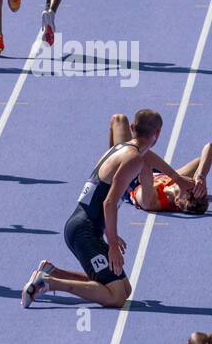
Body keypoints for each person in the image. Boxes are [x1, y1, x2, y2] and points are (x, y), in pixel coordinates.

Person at [20, 109, 164, 310]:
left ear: (132, 129)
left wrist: (107, 231)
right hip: (84, 232)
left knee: (125, 288)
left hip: (80, 223)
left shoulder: (119, 149)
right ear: (157, 135)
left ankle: (53, 272)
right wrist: (112, 242)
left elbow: (98, 193)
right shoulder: (135, 159)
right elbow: (108, 202)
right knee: (117, 297)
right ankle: (48, 283)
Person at [104, 113, 212, 214]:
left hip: (129, 172)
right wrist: (201, 176)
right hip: (155, 172)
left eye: (190, 189)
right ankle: (113, 155)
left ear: (177, 201)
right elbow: (209, 147)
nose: (192, 184)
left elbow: (142, 157)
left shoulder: (151, 201)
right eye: (196, 188)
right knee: (200, 164)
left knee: (119, 119)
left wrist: (177, 179)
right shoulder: (180, 188)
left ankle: (111, 165)